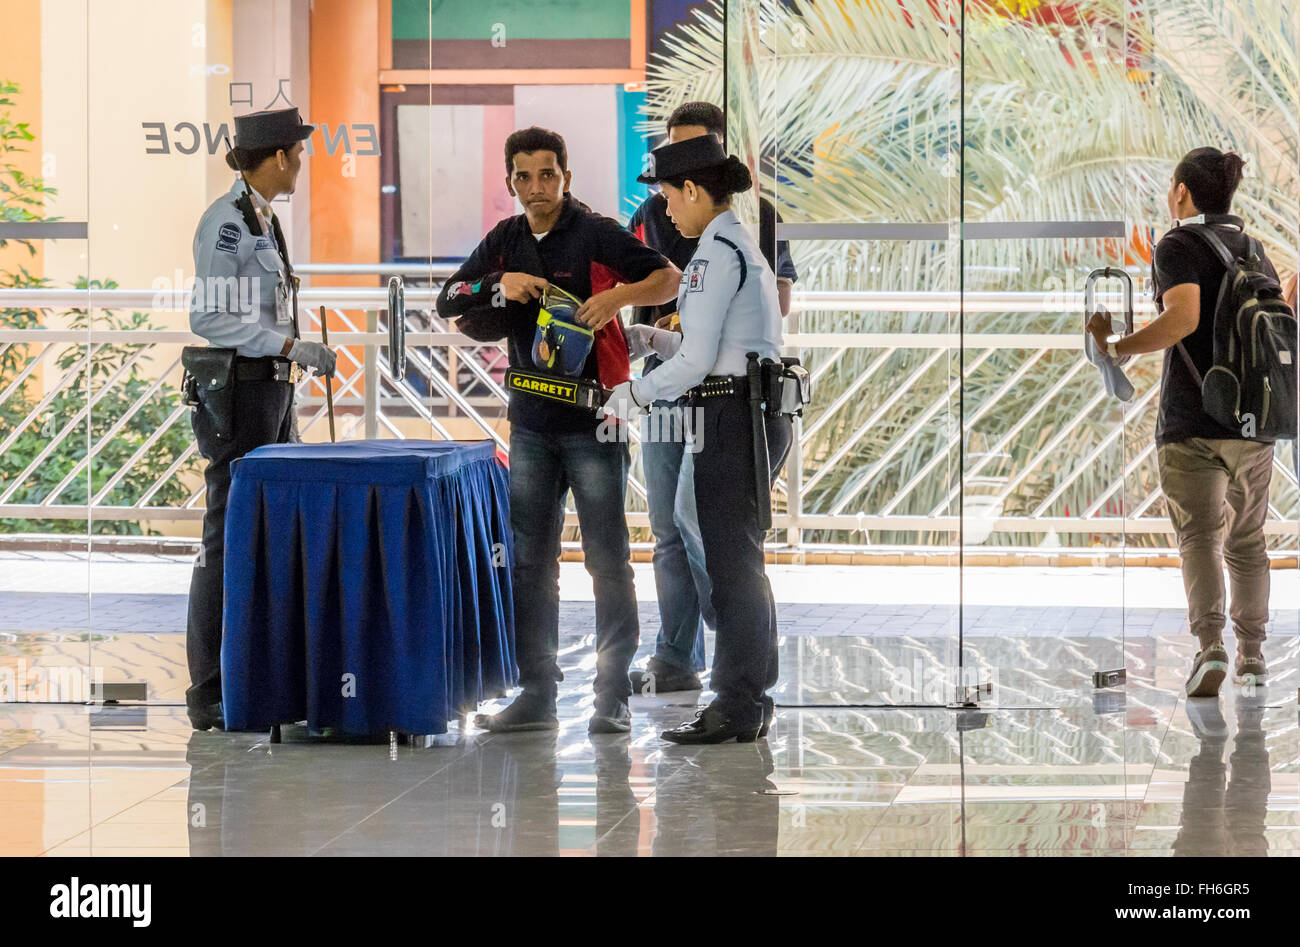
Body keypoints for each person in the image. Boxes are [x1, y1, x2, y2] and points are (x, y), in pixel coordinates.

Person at [436, 127, 680, 734]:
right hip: (531, 426)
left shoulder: (595, 231)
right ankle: (537, 694)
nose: (537, 188)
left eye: (548, 175)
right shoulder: (506, 240)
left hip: (595, 420)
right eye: (525, 177)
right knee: (529, 562)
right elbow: (448, 297)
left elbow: (668, 278)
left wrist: (618, 298)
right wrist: (499, 284)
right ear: (511, 182)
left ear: (566, 177)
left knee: (608, 558)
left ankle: (612, 695)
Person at [605, 134, 792, 743]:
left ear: (692, 190)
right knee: (736, 554)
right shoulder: (733, 244)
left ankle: (736, 702)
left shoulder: (715, 254)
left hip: (730, 416)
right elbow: (713, 349)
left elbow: (700, 364)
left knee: (731, 562)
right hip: (745, 407)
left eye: (667, 197)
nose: (664, 211)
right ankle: (748, 693)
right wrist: (656, 343)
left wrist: (634, 395)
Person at [1087, 147, 1279, 698]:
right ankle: (1253, 656)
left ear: (1180, 192)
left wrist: (1117, 346)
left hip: (1193, 420)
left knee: (1199, 535)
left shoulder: (1178, 244)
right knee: (1247, 542)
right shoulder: (1254, 250)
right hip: (1253, 424)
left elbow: (1183, 318)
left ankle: (1211, 645)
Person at [185, 107, 337, 731]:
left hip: (273, 394)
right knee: (224, 539)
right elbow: (209, 319)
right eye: (297, 151)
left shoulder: (262, 220)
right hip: (243, 395)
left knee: (276, 533)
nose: (302, 161)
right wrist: (284, 346)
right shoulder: (227, 225)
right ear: (277, 156)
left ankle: (266, 677)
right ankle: (210, 691)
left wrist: (291, 355)